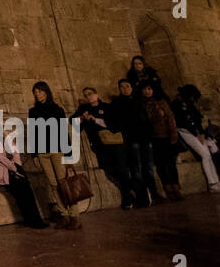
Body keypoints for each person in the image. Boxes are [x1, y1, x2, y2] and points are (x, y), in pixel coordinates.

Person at [28, 80, 79, 228]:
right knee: (53, 184)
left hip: (57, 150)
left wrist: (69, 154)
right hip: (43, 153)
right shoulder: (33, 112)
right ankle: (63, 214)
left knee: (64, 183)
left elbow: (64, 132)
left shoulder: (57, 109)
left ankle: (74, 215)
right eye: (35, 92)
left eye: (40, 92)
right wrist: (34, 155)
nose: (38, 95)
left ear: (46, 92)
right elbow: (33, 134)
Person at [74, 85, 132, 209]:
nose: (88, 96)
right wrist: (81, 118)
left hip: (114, 143)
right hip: (99, 145)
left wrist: (95, 120)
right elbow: (74, 123)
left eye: (90, 93)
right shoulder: (84, 109)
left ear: (96, 95)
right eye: (85, 95)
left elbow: (114, 124)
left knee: (121, 170)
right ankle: (128, 191)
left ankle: (128, 196)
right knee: (108, 171)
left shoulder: (108, 107)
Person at [0, 123, 48, 228]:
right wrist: (14, 168)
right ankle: (34, 220)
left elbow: (14, 149)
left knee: (25, 189)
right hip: (0, 171)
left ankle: (33, 219)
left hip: (10, 168)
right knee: (23, 189)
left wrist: (17, 164)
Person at [171, 85, 220, 193]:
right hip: (185, 131)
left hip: (195, 132)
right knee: (205, 155)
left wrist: (200, 133)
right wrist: (196, 133)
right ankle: (213, 183)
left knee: (207, 155)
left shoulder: (189, 104)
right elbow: (184, 121)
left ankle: (216, 182)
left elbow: (196, 118)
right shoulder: (177, 104)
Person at [110, 78, 154, 207]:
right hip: (131, 139)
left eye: (127, 86)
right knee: (136, 169)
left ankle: (153, 192)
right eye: (122, 87)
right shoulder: (117, 103)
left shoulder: (138, 101)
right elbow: (115, 122)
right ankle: (143, 196)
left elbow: (145, 118)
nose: (125, 89)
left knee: (149, 167)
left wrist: (149, 134)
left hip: (144, 138)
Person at [141, 82, 182, 201]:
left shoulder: (161, 102)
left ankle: (176, 188)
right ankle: (167, 189)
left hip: (167, 137)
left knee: (171, 164)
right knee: (160, 165)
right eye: (145, 89)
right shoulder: (142, 104)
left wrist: (173, 134)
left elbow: (170, 118)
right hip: (154, 138)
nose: (147, 91)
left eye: (149, 88)